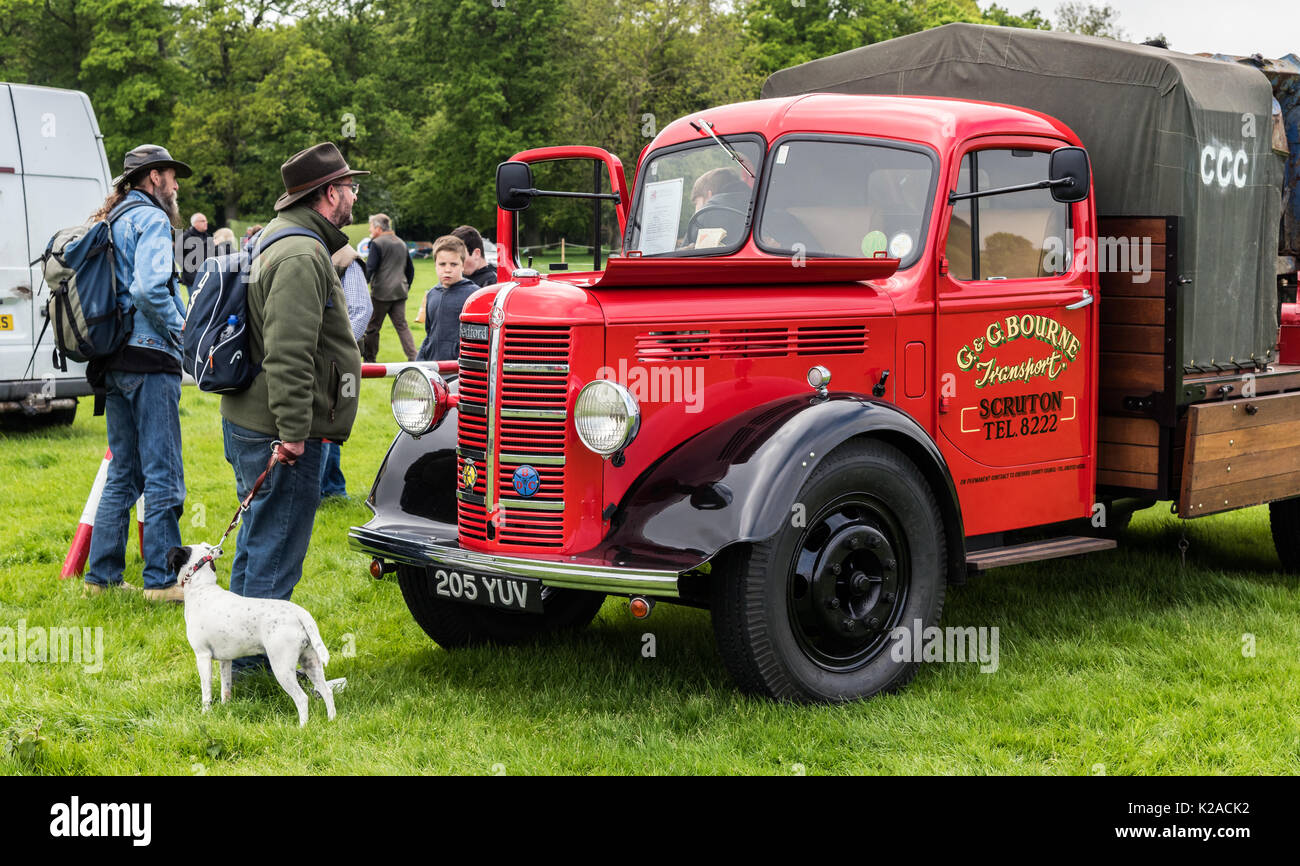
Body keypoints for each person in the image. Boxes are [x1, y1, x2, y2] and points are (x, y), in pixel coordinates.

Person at [219, 141, 364, 672]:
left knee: (260, 542)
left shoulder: (281, 239)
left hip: (255, 421)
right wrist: (295, 433)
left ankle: (242, 663)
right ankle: (257, 670)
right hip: (276, 430)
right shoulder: (302, 254)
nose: (353, 195)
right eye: (349, 186)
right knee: (275, 549)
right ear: (329, 194)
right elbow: (288, 353)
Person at [83, 144, 192, 603]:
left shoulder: (109, 218)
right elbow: (149, 288)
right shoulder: (150, 219)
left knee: (123, 473)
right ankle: (162, 581)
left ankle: (101, 578)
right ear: (153, 178)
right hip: (149, 358)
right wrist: (182, 332)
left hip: (113, 360)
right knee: (163, 469)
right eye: (171, 175)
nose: (176, 184)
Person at [319, 243, 372, 499]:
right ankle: (332, 487)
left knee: (329, 416)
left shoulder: (345, 258)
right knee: (329, 416)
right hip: (321, 355)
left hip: (335, 358)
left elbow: (361, 311)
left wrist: (338, 349)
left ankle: (321, 488)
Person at [361, 213, 416, 362]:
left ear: (378, 228)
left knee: (373, 327)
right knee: (402, 326)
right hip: (400, 292)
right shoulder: (401, 242)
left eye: (371, 227)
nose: (370, 230)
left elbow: (370, 268)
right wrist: (406, 286)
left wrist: (361, 287)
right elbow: (410, 270)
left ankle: (369, 360)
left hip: (381, 294)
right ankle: (414, 358)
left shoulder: (377, 243)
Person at [416, 235, 478, 362]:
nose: (448, 269)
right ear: (435, 265)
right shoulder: (432, 294)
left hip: (460, 368)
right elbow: (429, 334)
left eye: (453, 264)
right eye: (442, 264)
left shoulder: (474, 296)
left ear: (462, 265)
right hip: (434, 367)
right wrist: (419, 363)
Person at [179, 212, 214, 289]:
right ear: (195, 223)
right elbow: (179, 256)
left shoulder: (208, 237)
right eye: (203, 221)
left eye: (206, 221)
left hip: (206, 278)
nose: (206, 223)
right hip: (192, 279)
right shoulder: (185, 236)